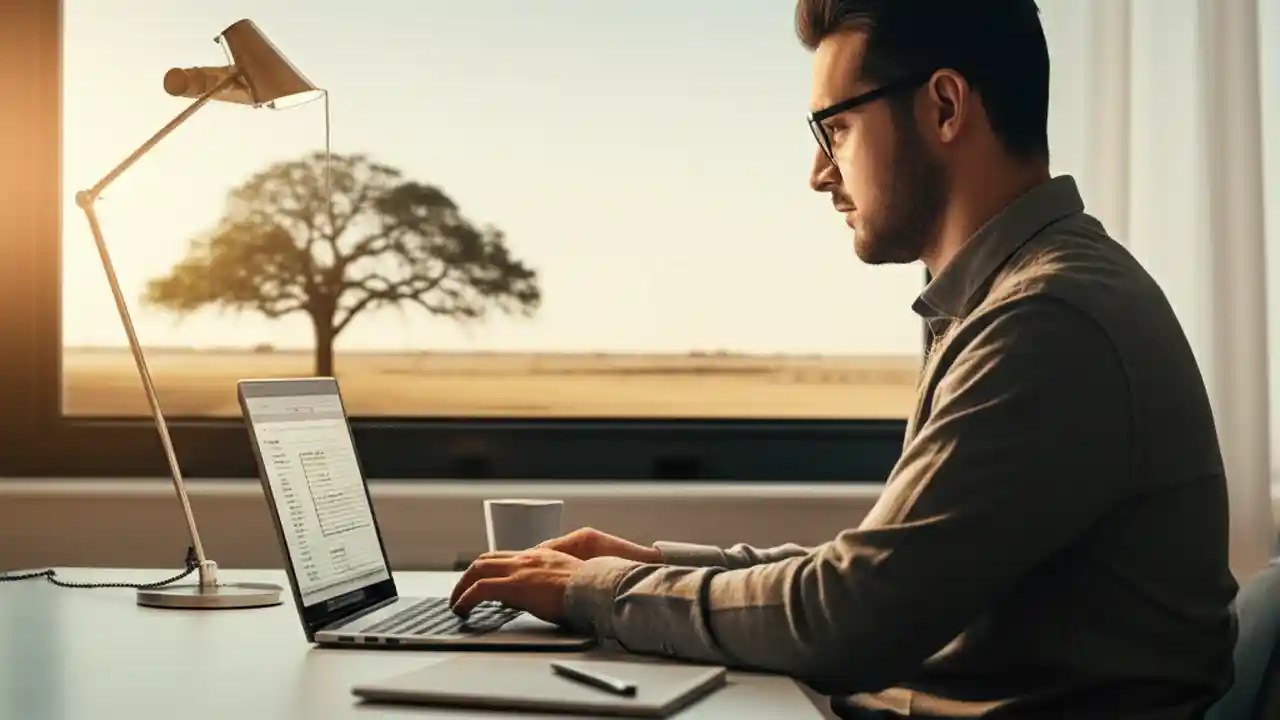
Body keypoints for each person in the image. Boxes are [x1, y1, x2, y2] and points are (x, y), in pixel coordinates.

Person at [449, 1, 1239, 717]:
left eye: (836, 128)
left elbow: (848, 619)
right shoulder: (1015, 298)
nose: (820, 172)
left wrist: (602, 593)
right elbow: (878, 574)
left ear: (944, 106)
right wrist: (652, 562)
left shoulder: (1047, 321)